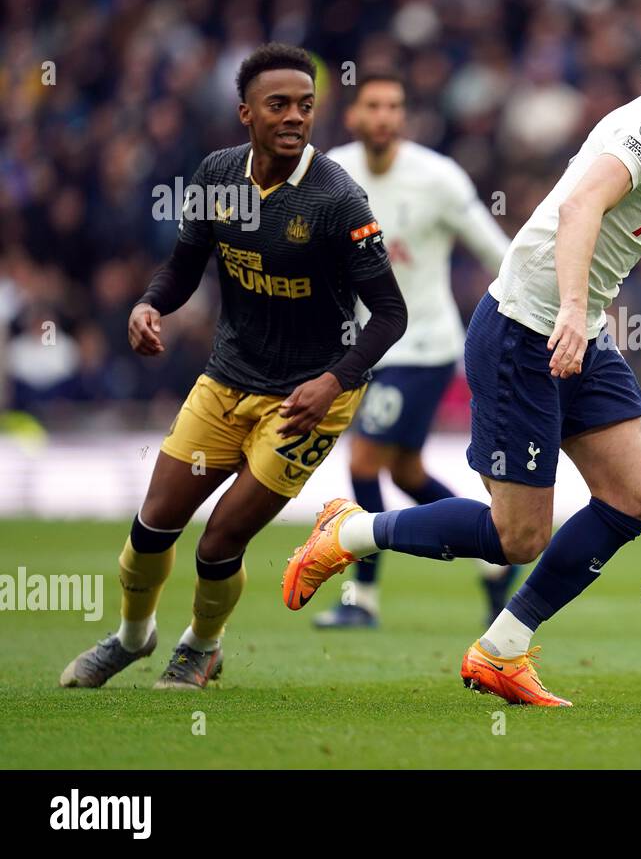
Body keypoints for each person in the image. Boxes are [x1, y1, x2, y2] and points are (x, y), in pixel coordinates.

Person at [283, 3, 641, 706]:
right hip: (524, 328)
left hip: (577, 330)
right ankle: (351, 531)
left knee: (634, 499)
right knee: (518, 536)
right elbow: (580, 207)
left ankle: (501, 650)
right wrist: (568, 307)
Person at [60, 44, 406, 690]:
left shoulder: (338, 201)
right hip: (225, 381)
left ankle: (201, 646)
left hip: (309, 399)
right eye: (279, 105)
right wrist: (148, 304)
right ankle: (134, 638)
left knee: (219, 542)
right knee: (152, 524)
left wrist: (332, 380)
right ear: (246, 112)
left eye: (305, 105)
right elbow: (185, 265)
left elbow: (389, 314)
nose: (295, 117)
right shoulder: (217, 175)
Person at [313, 73, 517, 630]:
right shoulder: (331, 170)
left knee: (362, 460)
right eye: (372, 106)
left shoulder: (438, 178)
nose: (383, 116)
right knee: (405, 471)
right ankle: (493, 553)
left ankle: (364, 599)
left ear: (403, 117)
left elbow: (497, 251)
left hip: (422, 346)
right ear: (353, 115)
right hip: (364, 349)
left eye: (394, 107)